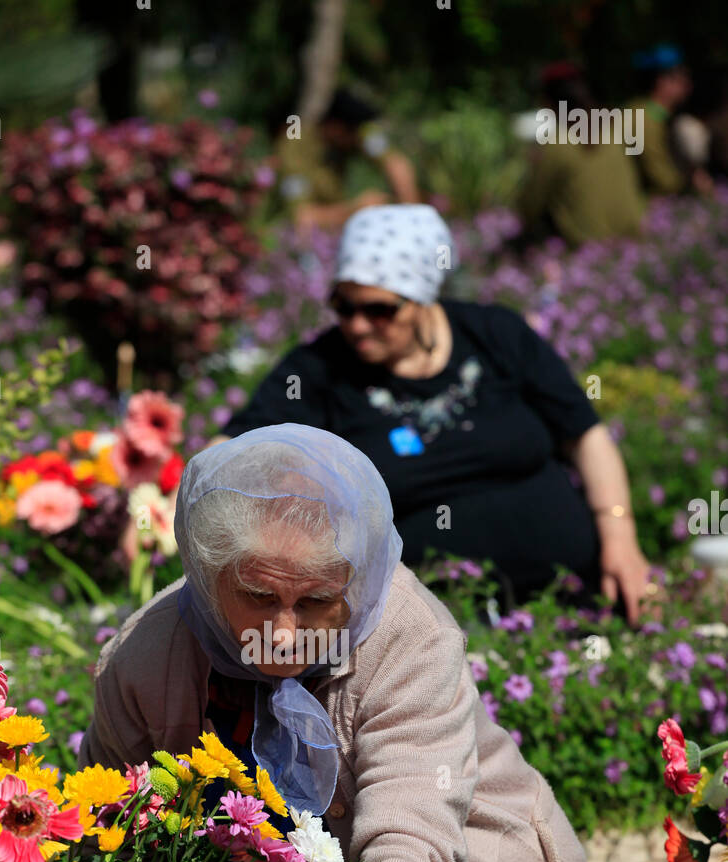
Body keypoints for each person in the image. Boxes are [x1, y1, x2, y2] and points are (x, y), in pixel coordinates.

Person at [79, 423, 597, 862]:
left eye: (317, 601)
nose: (285, 633)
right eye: (260, 596)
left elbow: (409, 837)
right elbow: (106, 832)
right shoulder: (143, 657)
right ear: (210, 577)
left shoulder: (412, 636)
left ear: (354, 582)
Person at [218, 204, 653, 620]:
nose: (356, 325)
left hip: (572, 595)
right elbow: (229, 454)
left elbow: (586, 436)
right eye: (344, 306)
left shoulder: (496, 335)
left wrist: (619, 535)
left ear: (423, 297)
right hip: (436, 626)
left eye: (379, 309)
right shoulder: (319, 370)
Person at [518, 66, 645, 247]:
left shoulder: (556, 144)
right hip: (633, 244)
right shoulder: (615, 130)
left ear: (548, 103)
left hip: (586, 254)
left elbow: (529, 209)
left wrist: (534, 163)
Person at [274, 87, 420, 233]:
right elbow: (301, 218)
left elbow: (396, 164)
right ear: (334, 127)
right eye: (352, 131)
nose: (358, 137)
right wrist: (355, 210)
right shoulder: (294, 149)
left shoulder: (354, 133)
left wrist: (412, 216)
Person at [631, 45, 713, 196]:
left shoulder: (654, 115)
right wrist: (690, 182)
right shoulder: (640, 117)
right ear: (661, 81)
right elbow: (659, 174)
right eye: (681, 76)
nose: (688, 83)